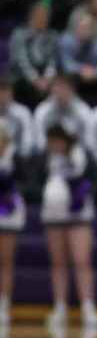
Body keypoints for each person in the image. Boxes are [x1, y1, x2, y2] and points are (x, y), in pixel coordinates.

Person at [40, 123, 97, 333]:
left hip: (79, 213)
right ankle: (60, 306)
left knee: (81, 260)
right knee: (58, 261)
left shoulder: (82, 156)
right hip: (53, 213)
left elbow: (95, 180)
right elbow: (34, 182)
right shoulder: (46, 158)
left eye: (58, 141)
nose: (55, 146)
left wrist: (78, 191)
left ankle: (88, 307)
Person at [9, 2, 61, 104]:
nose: (43, 19)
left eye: (46, 17)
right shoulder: (19, 35)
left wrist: (47, 78)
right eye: (39, 16)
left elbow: (53, 59)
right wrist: (35, 80)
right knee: (33, 93)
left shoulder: (52, 35)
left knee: (59, 88)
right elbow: (22, 61)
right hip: (22, 76)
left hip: (44, 75)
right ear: (31, 17)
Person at [0, 123, 21, 325]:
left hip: (9, 210)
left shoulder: (15, 158)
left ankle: (4, 303)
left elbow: (25, 181)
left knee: (6, 259)